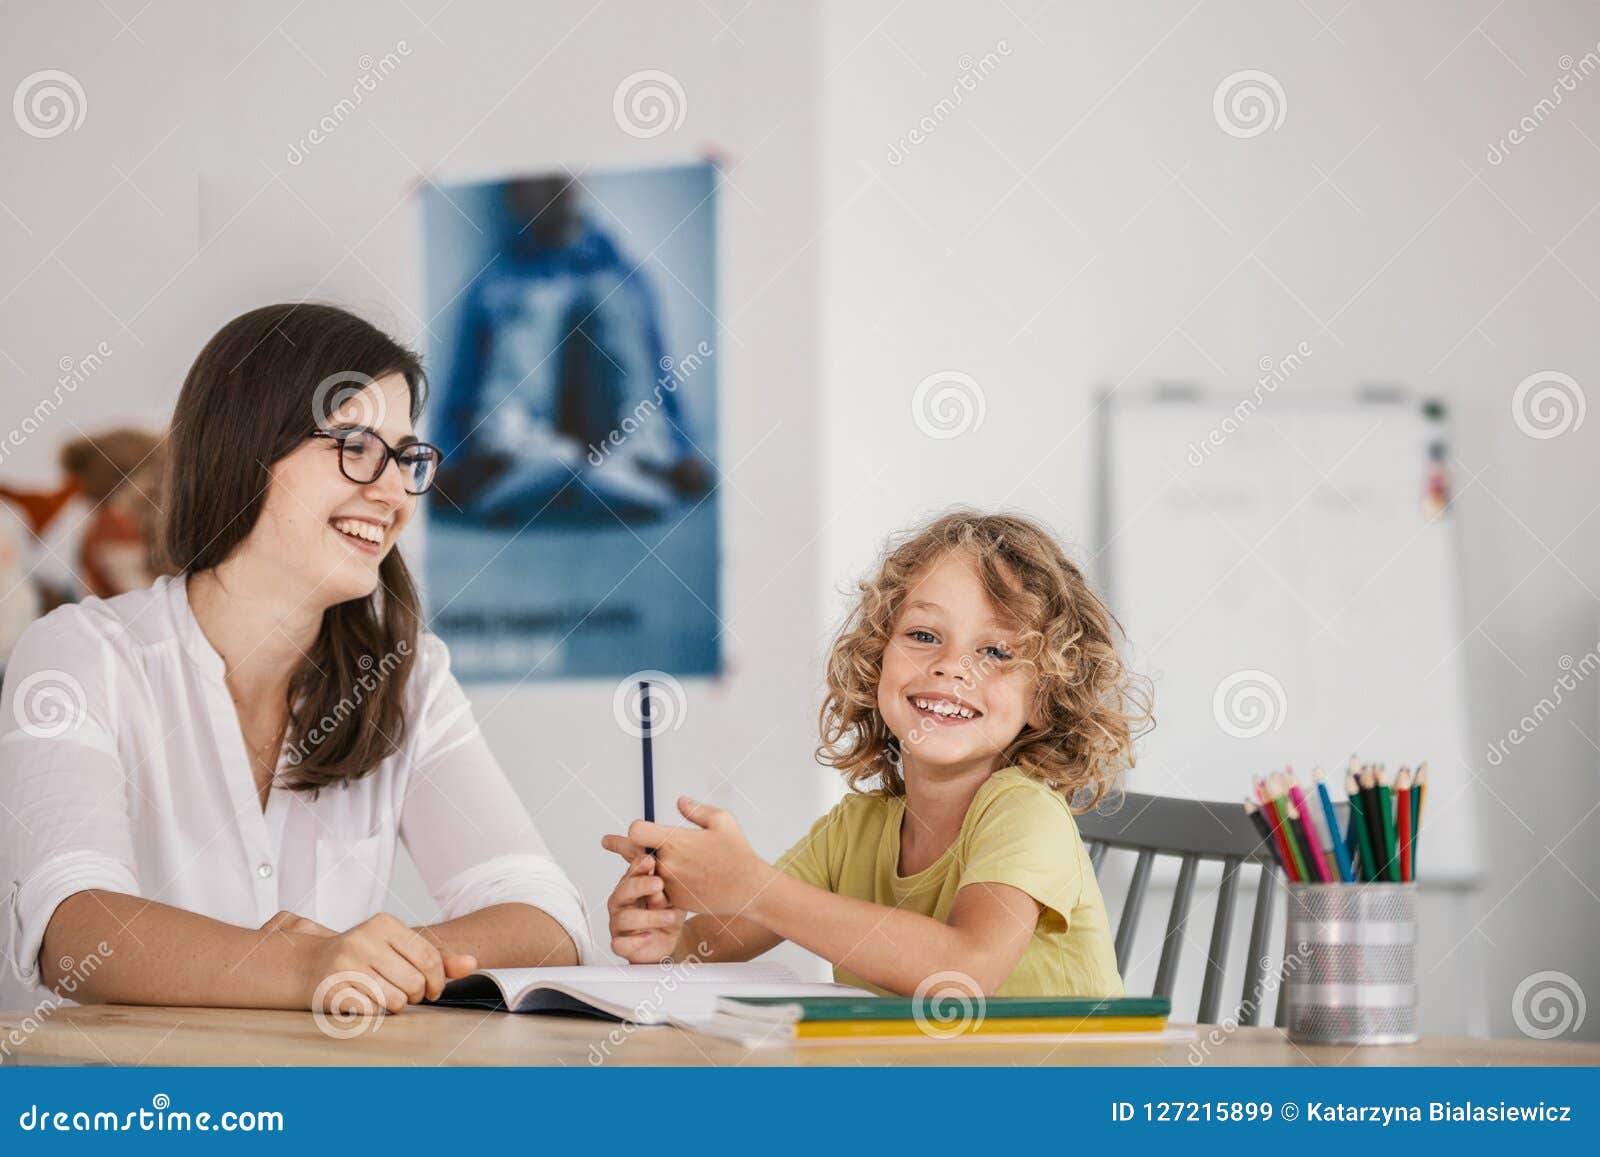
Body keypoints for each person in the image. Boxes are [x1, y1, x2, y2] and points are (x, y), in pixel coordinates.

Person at [0, 303, 591, 1018]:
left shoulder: (408, 678)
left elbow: (545, 916)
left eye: (406, 457)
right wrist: (308, 965)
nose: (395, 490)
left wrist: (372, 960)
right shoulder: (79, 655)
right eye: (355, 446)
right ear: (243, 448)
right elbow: (74, 927)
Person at [601, 511, 1151, 997]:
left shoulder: (1026, 816)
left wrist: (755, 887)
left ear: (1045, 697)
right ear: (875, 661)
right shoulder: (852, 832)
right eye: (923, 635)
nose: (952, 666)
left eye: (994, 651)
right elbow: (717, 939)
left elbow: (965, 970)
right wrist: (665, 939)